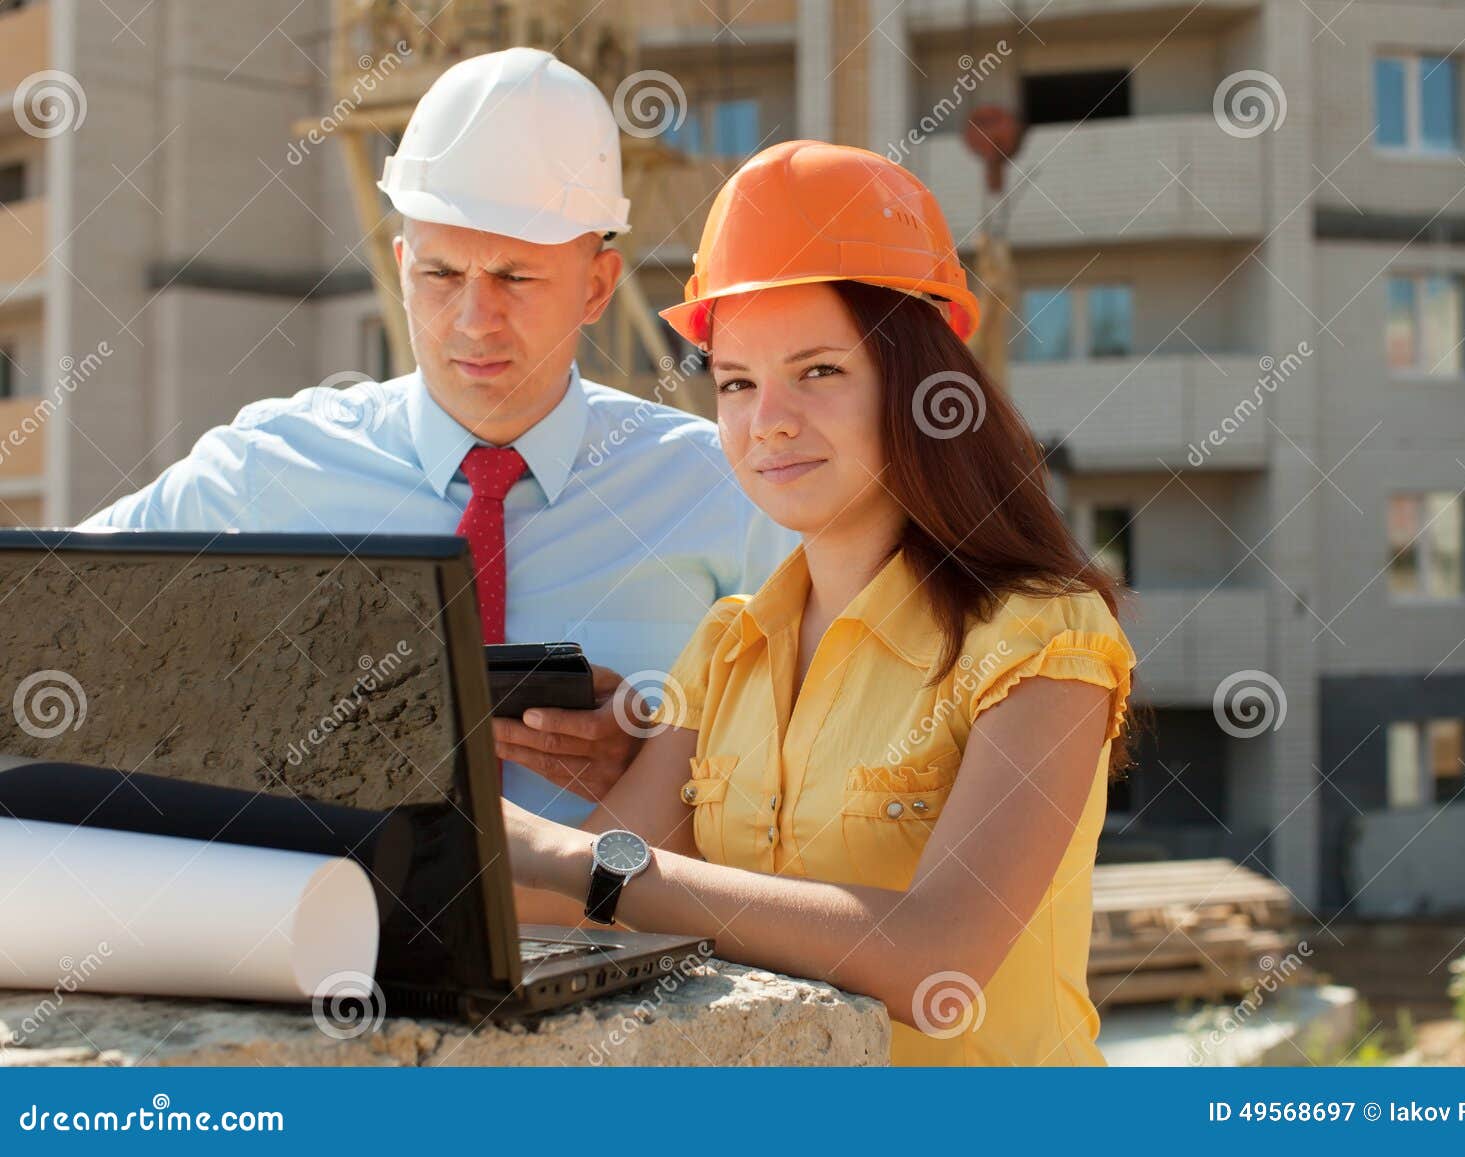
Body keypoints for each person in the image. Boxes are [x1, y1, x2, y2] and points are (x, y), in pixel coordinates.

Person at [501, 140, 1139, 1066]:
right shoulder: (728, 649)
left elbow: (939, 962)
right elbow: (572, 898)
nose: (769, 422)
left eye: (819, 372)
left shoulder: (1039, 638)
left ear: (922, 384)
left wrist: (585, 865)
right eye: (736, 383)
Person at [75, 48, 792, 826]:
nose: (475, 321)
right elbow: (47, 613)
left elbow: (839, 745)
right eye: (442, 276)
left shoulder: (726, 487)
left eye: (516, 278)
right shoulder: (267, 467)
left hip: (612, 938)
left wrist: (669, 759)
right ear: (399, 265)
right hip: (328, 936)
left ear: (595, 287)